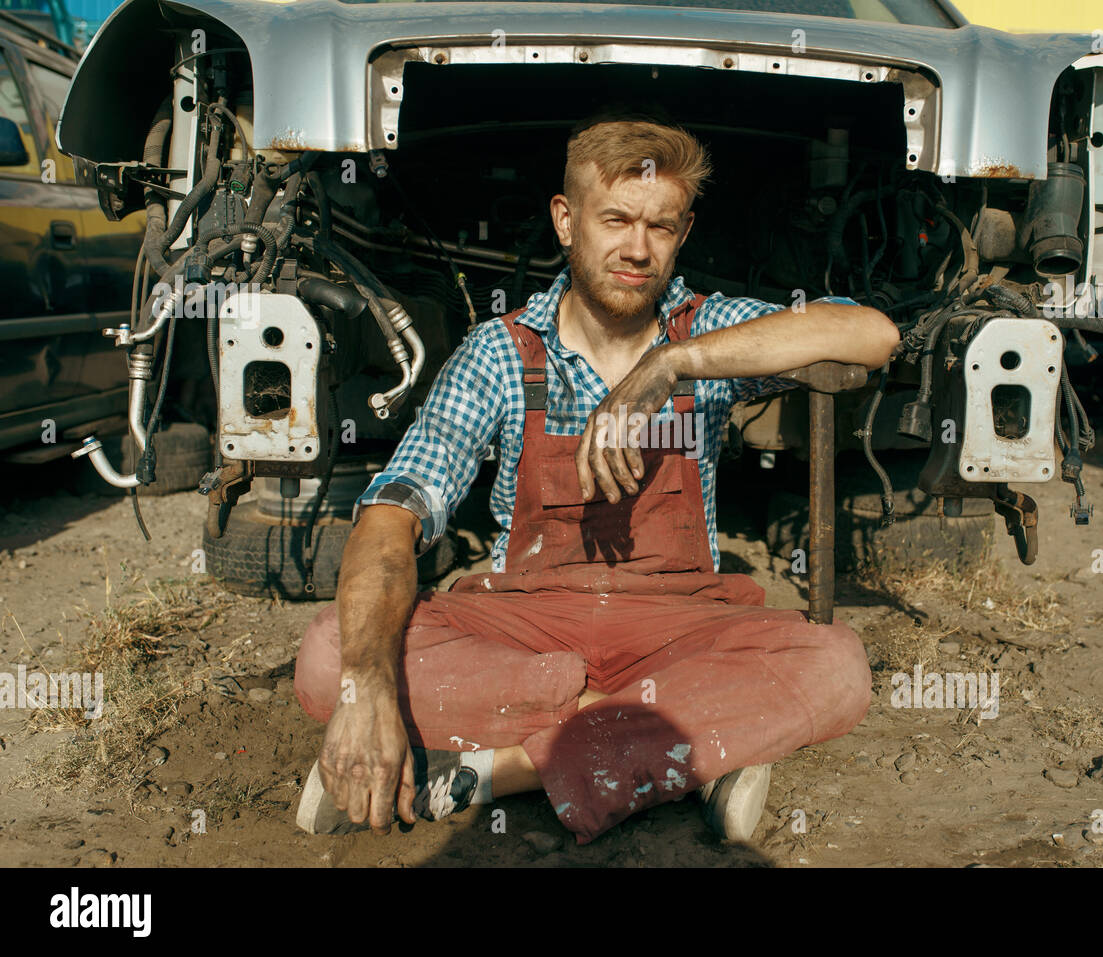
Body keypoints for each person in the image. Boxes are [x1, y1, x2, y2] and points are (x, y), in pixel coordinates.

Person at [293, 113, 899, 845]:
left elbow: (872, 333)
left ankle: (496, 768)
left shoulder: (708, 330)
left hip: (679, 624)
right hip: (524, 631)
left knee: (835, 664)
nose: (638, 249)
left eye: (662, 226)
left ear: (684, 232)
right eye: (615, 219)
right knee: (335, 656)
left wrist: (674, 364)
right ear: (565, 220)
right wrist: (367, 687)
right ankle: (685, 750)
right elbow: (392, 513)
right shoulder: (499, 351)